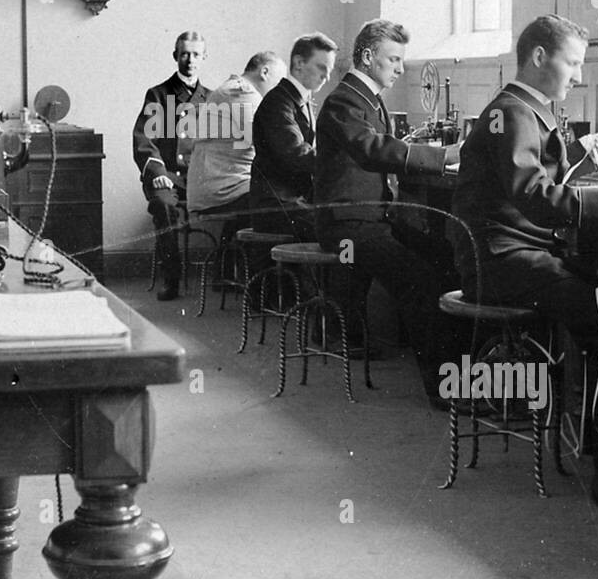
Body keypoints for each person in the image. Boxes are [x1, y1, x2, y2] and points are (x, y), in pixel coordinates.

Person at [450, 13, 598, 507]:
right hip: (500, 262)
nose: (578, 74)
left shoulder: (525, 111)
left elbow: (535, 184)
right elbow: (531, 192)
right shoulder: (512, 112)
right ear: (539, 57)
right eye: (573, 63)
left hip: (515, 255)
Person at [314, 20, 461, 372]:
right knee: (420, 278)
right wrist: (446, 156)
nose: (400, 68)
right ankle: (444, 385)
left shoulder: (365, 99)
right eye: (393, 60)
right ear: (367, 57)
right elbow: (370, 149)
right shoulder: (344, 101)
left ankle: (443, 359)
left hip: (368, 220)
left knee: (445, 255)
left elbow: (378, 149)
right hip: (348, 225)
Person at [131, 31, 211, 301]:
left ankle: (227, 275)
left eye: (196, 54)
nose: (190, 60)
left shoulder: (212, 99)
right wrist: (157, 173)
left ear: (204, 58)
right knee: (165, 207)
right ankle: (172, 279)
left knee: (245, 200)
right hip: (166, 178)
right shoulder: (158, 95)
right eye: (185, 54)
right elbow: (144, 139)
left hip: (200, 179)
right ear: (175, 56)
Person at [249, 32, 337, 240]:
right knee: (339, 228)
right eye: (321, 67)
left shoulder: (300, 100)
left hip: (291, 201)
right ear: (298, 63)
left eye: (329, 70)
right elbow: (297, 153)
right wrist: (340, 162)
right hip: (275, 204)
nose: (327, 76)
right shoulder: (278, 102)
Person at [186, 51, 285, 229]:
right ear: (264, 72)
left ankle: (233, 252)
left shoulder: (232, 90)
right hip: (224, 191)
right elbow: (273, 144)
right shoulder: (243, 93)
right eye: (279, 83)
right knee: (288, 205)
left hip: (219, 189)